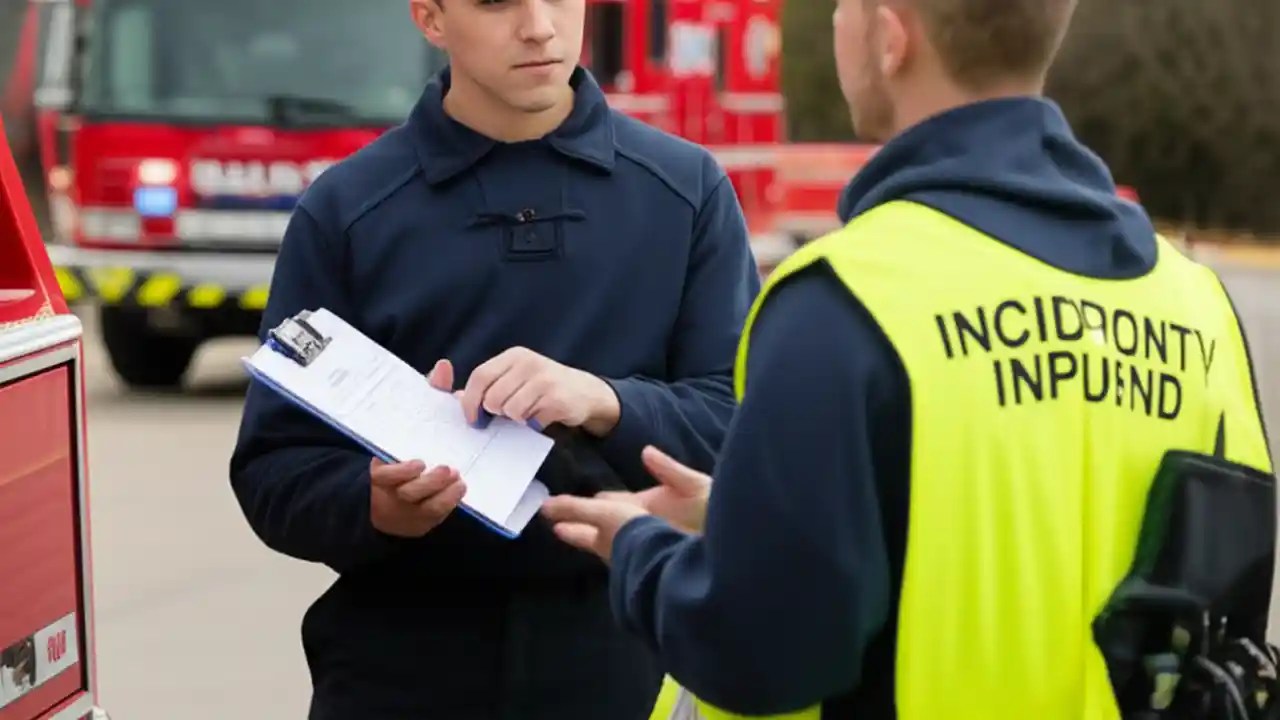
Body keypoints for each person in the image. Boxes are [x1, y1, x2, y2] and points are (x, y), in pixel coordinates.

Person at [540, 0, 1276, 717]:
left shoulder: (844, 302)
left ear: (890, 41)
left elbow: (759, 652)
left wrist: (640, 552)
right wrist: (751, 516)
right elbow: (1214, 613)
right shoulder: (1196, 305)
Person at [228, 0, 760, 717]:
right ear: (430, 17)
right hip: (396, 675)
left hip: (627, 666)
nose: (539, 25)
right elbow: (272, 471)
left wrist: (607, 402)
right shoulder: (346, 210)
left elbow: (744, 434)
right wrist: (371, 502)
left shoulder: (686, 192)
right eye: (497, 2)